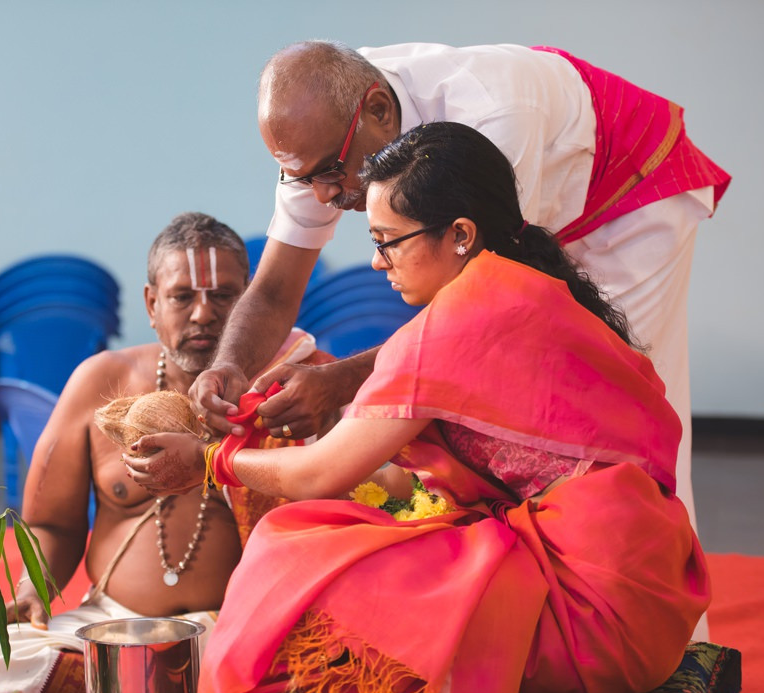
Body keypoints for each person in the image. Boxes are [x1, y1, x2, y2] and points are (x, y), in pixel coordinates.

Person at [127, 123, 710, 693]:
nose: (378, 262)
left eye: (388, 242)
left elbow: (319, 474)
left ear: (460, 234)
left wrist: (213, 459)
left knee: (294, 548)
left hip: (590, 621)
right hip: (653, 589)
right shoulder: (537, 290)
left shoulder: (452, 325)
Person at [191, 41, 731, 559]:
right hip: (517, 239)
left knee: (629, 422)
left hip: (628, 199)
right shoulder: (320, 133)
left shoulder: (493, 116)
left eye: (330, 174)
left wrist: (336, 385)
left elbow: (475, 325)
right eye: (300, 178)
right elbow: (276, 287)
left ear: (380, 110)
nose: (323, 196)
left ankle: (663, 620)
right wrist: (230, 366)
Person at [0, 212, 332, 693]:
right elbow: (51, 524)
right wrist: (30, 591)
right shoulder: (100, 381)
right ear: (150, 304)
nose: (204, 313)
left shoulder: (285, 388)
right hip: (113, 627)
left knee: (318, 660)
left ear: (252, 304)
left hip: (232, 631)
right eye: (183, 296)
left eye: (225, 296)